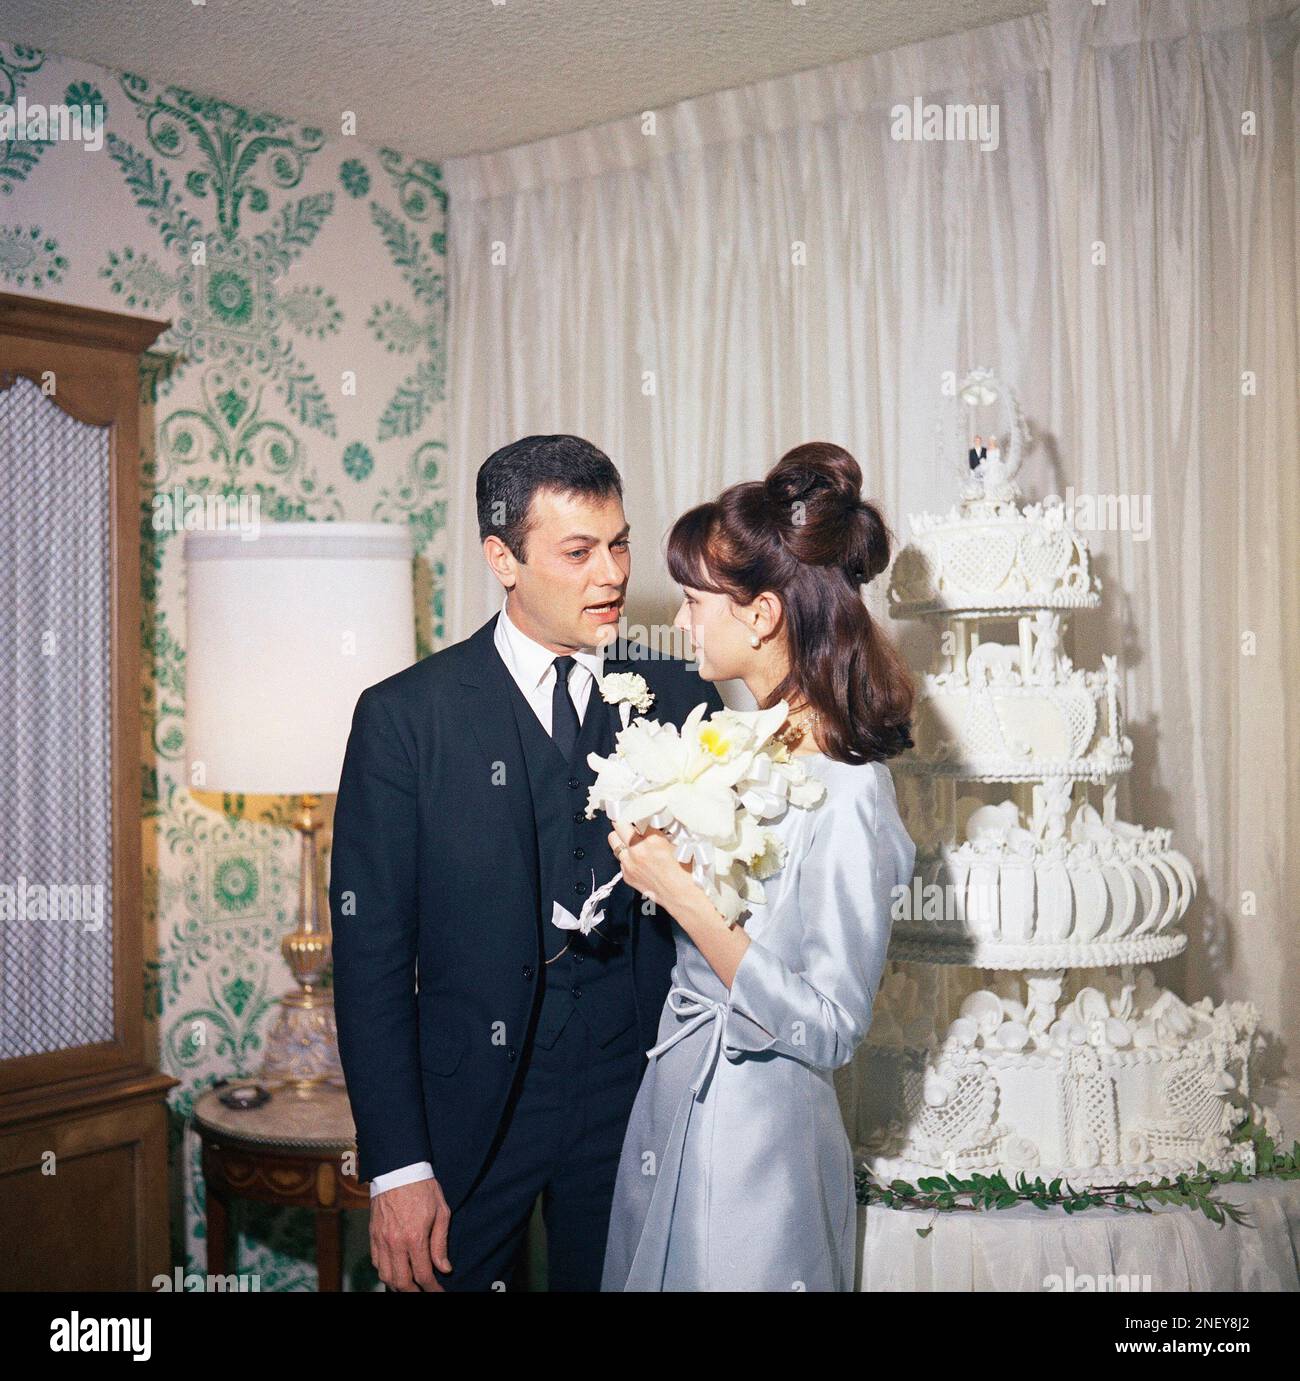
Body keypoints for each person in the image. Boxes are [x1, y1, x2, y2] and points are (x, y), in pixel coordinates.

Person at [329, 434, 724, 1291]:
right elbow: (371, 960)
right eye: (578, 551)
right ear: (501, 558)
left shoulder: (684, 697)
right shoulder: (404, 720)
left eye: (618, 543)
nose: (612, 573)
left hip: (635, 1101)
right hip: (468, 1117)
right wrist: (397, 1166)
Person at [599, 441, 917, 1291]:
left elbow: (830, 1026)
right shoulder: (734, 745)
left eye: (698, 600)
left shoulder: (850, 791)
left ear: (764, 613)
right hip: (671, 1098)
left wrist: (686, 898)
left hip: (761, 1142)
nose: (681, 621)